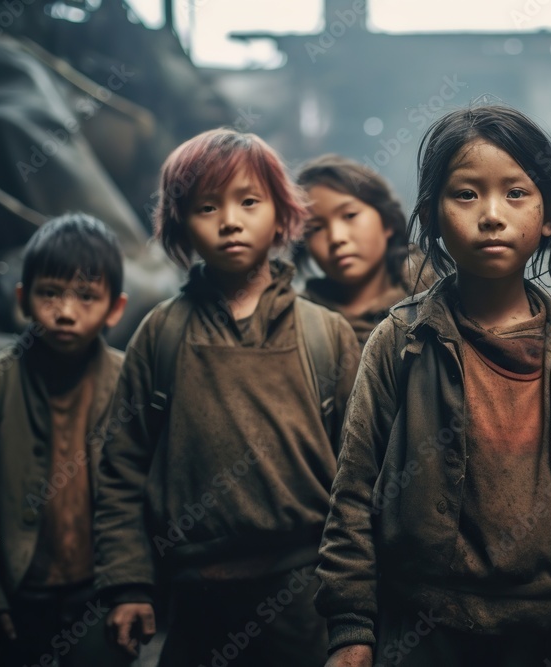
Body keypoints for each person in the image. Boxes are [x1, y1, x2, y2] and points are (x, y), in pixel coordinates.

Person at [315, 105, 551, 667]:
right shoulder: (401, 343)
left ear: (547, 216)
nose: (491, 215)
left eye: (516, 193)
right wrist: (351, 626)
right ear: (433, 215)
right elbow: (352, 494)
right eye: (466, 195)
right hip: (425, 629)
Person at [92, 128, 359, 666]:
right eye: (206, 206)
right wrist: (128, 585)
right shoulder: (161, 334)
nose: (230, 221)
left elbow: (362, 484)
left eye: (249, 201)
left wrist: (355, 617)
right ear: (181, 224)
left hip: (305, 594)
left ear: (281, 214)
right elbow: (120, 471)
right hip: (192, 601)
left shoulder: (324, 335)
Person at [0, 213, 130, 666]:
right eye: (49, 292)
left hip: (99, 591)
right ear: (23, 298)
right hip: (18, 594)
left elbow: (138, 500)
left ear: (115, 308)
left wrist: (134, 590)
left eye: (86, 296)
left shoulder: (125, 385)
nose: (65, 312)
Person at [296, 154, 434, 347]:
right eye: (316, 228)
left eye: (350, 215)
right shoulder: (296, 322)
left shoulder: (439, 301)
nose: (336, 238)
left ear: (387, 222)